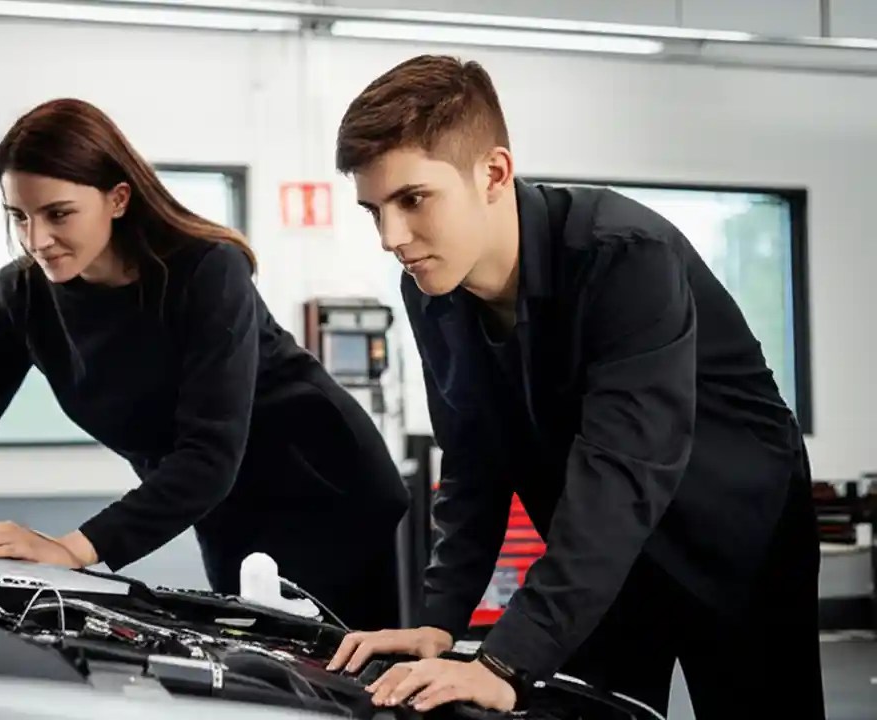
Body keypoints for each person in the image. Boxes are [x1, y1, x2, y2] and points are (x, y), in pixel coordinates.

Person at [324, 54, 824, 718]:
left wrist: (504, 661)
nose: (392, 237)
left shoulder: (624, 254)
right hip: (599, 558)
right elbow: (475, 463)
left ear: (494, 173)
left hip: (733, 538)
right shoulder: (432, 291)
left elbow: (624, 469)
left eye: (413, 200)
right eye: (374, 209)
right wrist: (439, 620)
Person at [0, 97, 410, 631]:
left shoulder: (207, 272)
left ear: (118, 199)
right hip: (219, 506)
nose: (37, 240)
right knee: (256, 669)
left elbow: (207, 456)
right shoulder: (20, 297)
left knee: (345, 680)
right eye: (20, 216)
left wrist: (67, 550)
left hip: (326, 490)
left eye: (58, 214)